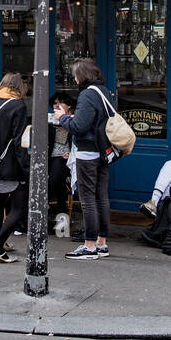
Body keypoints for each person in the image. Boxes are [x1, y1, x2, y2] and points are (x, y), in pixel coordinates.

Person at [53, 58, 114, 260]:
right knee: (101, 197)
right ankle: (102, 243)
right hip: (103, 150)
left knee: (88, 199)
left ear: (82, 75)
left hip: (88, 151)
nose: (74, 79)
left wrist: (62, 118)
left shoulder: (88, 95)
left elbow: (79, 127)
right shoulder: (103, 92)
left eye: (75, 75)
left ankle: (89, 246)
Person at [0, 74, 30, 263]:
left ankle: (0, 241)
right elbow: (19, 142)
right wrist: (26, 168)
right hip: (10, 162)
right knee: (18, 208)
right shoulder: (18, 106)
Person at [48, 92, 76, 238]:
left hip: (68, 160)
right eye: (54, 103)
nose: (57, 106)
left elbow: (78, 141)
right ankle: (62, 223)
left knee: (56, 174)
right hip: (50, 160)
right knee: (58, 183)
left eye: (61, 103)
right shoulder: (49, 119)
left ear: (69, 106)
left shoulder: (75, 120)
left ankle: (41, 207)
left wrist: (71, 153)